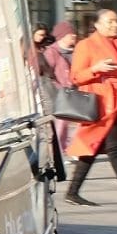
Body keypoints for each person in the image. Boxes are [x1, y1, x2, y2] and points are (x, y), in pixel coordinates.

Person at [63, 8, 117, 210]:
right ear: (98, 25)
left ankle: (72, 192)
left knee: (91, 150)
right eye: (109, 22)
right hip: (100, 104)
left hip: (116, 103)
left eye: (116, 21)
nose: (114, 25)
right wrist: (95, 68)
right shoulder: (86, 45)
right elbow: (75, 77)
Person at [42, 19, 78, 154]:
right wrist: (57, 87)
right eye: (71, 35)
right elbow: (47, 73)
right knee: (61, 123)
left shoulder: (76, 50)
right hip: (60, 93)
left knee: (81, 121)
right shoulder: (52, 52)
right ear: (62, 36)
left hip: (75, 91)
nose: (74, 36)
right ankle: (60, 150)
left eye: (74, 34)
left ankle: (75, 148)